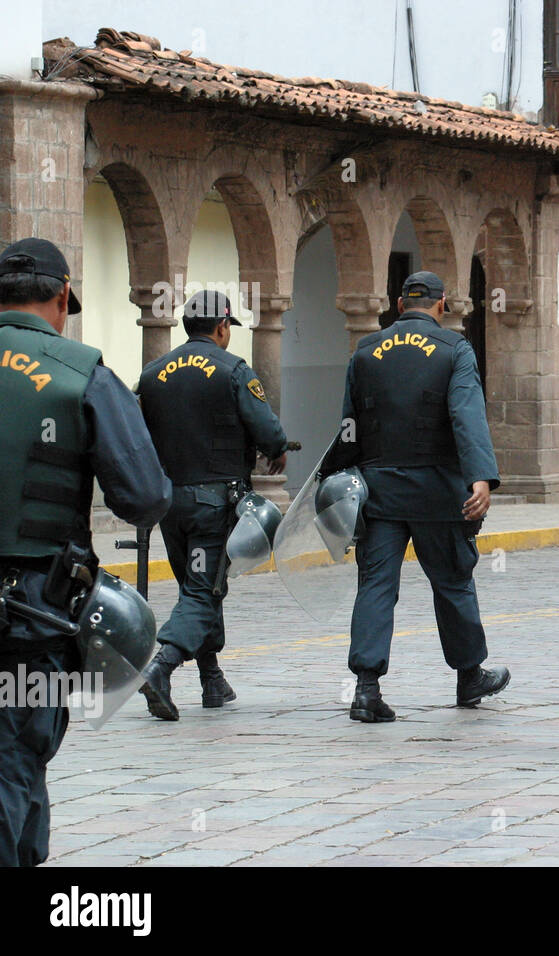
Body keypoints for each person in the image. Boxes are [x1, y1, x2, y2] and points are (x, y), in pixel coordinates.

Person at [0, 238, 171, 865]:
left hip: (26, 613)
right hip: (29, 616)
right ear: (64, 296)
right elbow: (145, 497)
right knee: (13, 753)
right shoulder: (82, 373)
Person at [321, 271, 509, 721]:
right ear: (442, 305)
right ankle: (469, 677)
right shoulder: (454, 351)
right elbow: (466, 415)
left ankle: (366, 688)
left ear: (399, 304)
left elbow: (349, 424)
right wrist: (481, 477)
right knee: (453, 583)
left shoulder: (365, 351)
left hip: (379, 494)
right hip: (439, 495)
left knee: (376, 587)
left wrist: (335, 483)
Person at [136, 291, 289, 720]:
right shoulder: (232, 369)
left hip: (168, 502)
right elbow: (269, 432)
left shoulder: (152, 374)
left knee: (198, 587)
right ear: (222, 327)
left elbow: (134, 434)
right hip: (212, 502)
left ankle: (211, 677)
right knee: (203, 590)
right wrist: (276, 450)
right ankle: (161, 667)